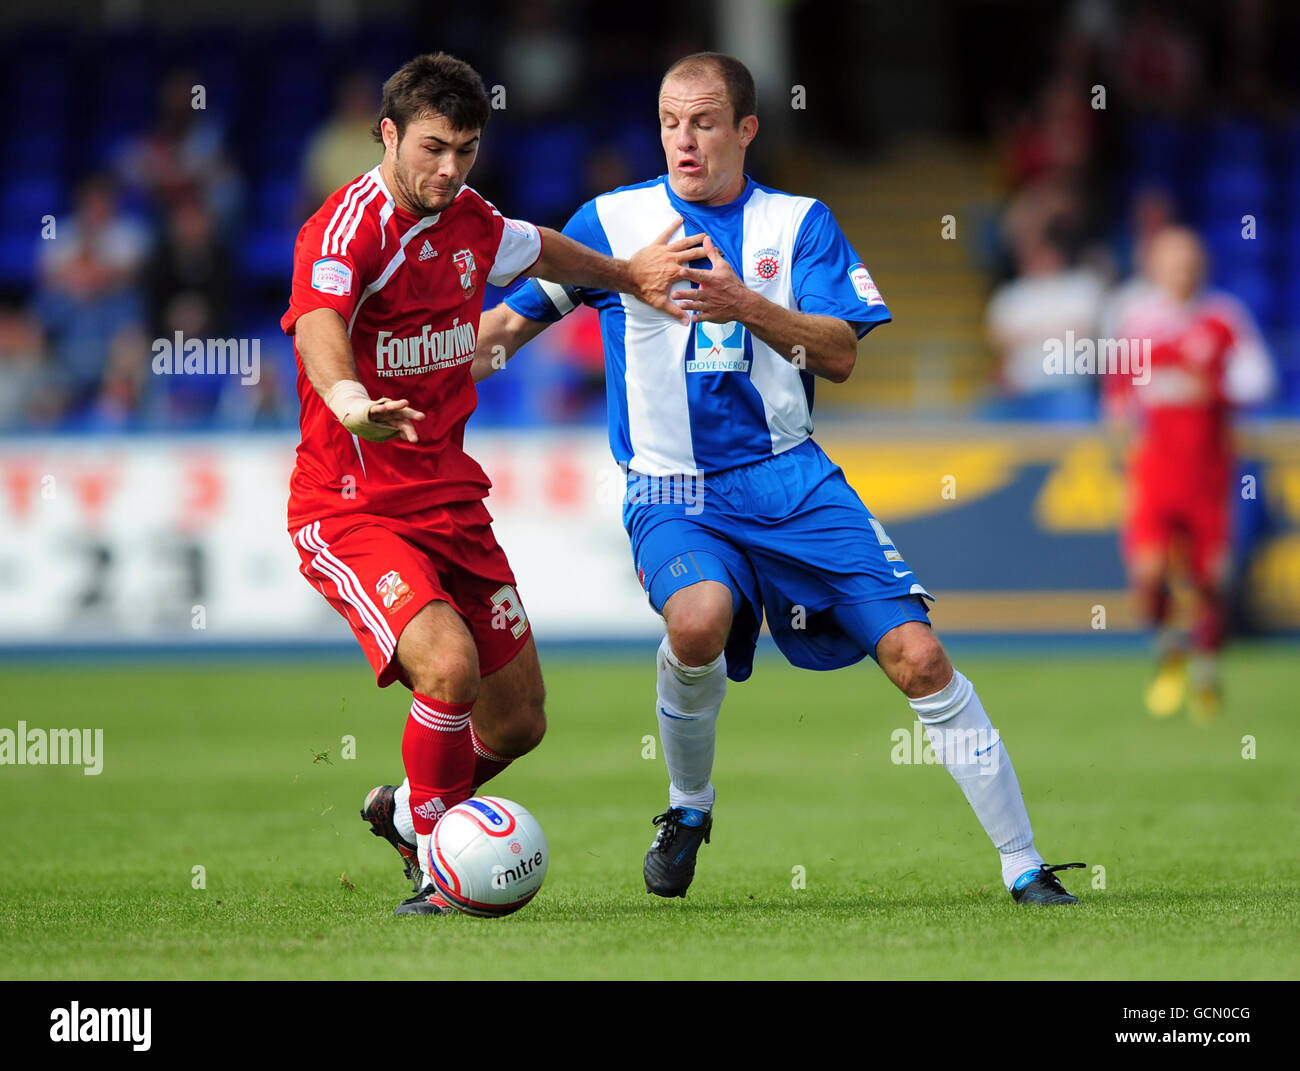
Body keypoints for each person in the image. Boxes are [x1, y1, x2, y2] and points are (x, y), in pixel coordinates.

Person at [473, 52, 1083, 905]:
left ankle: (1025, 864)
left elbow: (837, 354)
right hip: (672, 489)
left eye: (705, 122)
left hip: (794, 483)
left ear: (746, 128)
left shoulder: (800, 225)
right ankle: (688, 807)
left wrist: (746, 305)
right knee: (699, 620)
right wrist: (422, 378)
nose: (684, 141)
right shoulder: (612, 223)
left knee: (919, 656)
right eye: (669, 122)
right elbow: (508, 322)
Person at [281, 52, 691, 915]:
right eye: (432, 147)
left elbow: (540, 246)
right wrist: (349, 395)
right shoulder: (344, 229)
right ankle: (438, 867)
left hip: (447, 500)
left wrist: (628, 277)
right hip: (351, 505)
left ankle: (402, 810)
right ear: (388, 134)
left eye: (465, 150)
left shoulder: (470, 220)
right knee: (449, 668)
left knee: (517, 723)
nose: (449, 168)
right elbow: (319, 321)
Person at [1105, 226, 1274, 721]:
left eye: (1189, 262)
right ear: (1155, 267)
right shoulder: (1137, 320)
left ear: (1201, 266)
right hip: (1155, 473)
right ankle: (1167, 652)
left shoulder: (1223, 319)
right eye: (1171, 262)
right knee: (1149, 574)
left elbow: (1258, 379)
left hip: (1209, 475)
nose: (1181, 272)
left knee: (1211, 581)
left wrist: (1211, 385)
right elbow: (1118, 393)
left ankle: (1205, 672)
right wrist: (1121, 439)